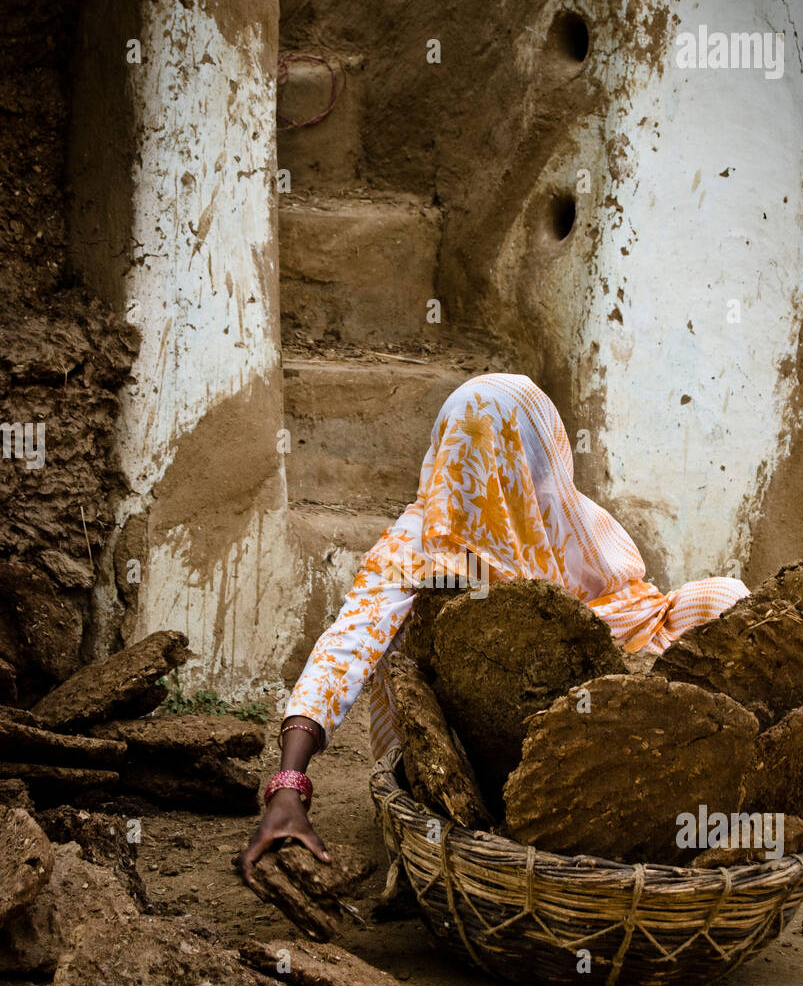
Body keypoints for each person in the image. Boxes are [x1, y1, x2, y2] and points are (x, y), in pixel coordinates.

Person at [241, 373, 748, 881]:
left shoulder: (562, 509)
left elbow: (632, 607)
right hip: (481, 735)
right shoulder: (420, 542)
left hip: (588, 687)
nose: (496, 474)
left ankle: (725, 773)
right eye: (477, 456)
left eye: (516, 453)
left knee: (727, 600)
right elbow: (347, 646)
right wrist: (289, 785)